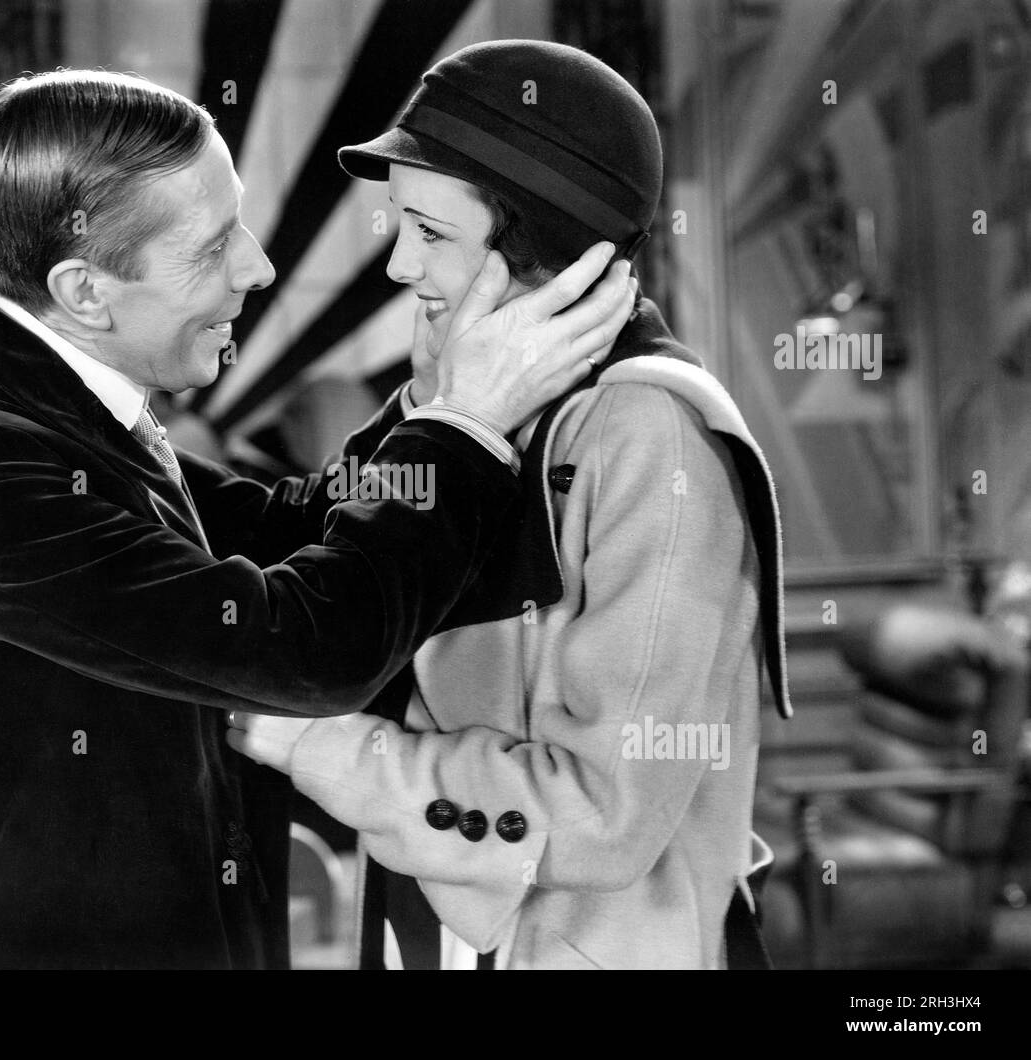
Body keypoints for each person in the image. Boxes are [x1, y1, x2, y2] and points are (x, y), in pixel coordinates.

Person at [0, 69, 638, 969]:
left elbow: (287, 528)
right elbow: (303, 648)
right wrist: (463, 426)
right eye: (213, 245)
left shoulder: (59, 411)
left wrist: (434, 402)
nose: (258, 267)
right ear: (85, 292)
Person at [229, 40, 791, 969]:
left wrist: (319, 746)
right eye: (401, 229)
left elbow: (604, 813)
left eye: (433, 234)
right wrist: (436, 413)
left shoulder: (650, 432)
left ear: (538, 245)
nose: (400, 266)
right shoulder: (468, 405)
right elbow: (339, 561)